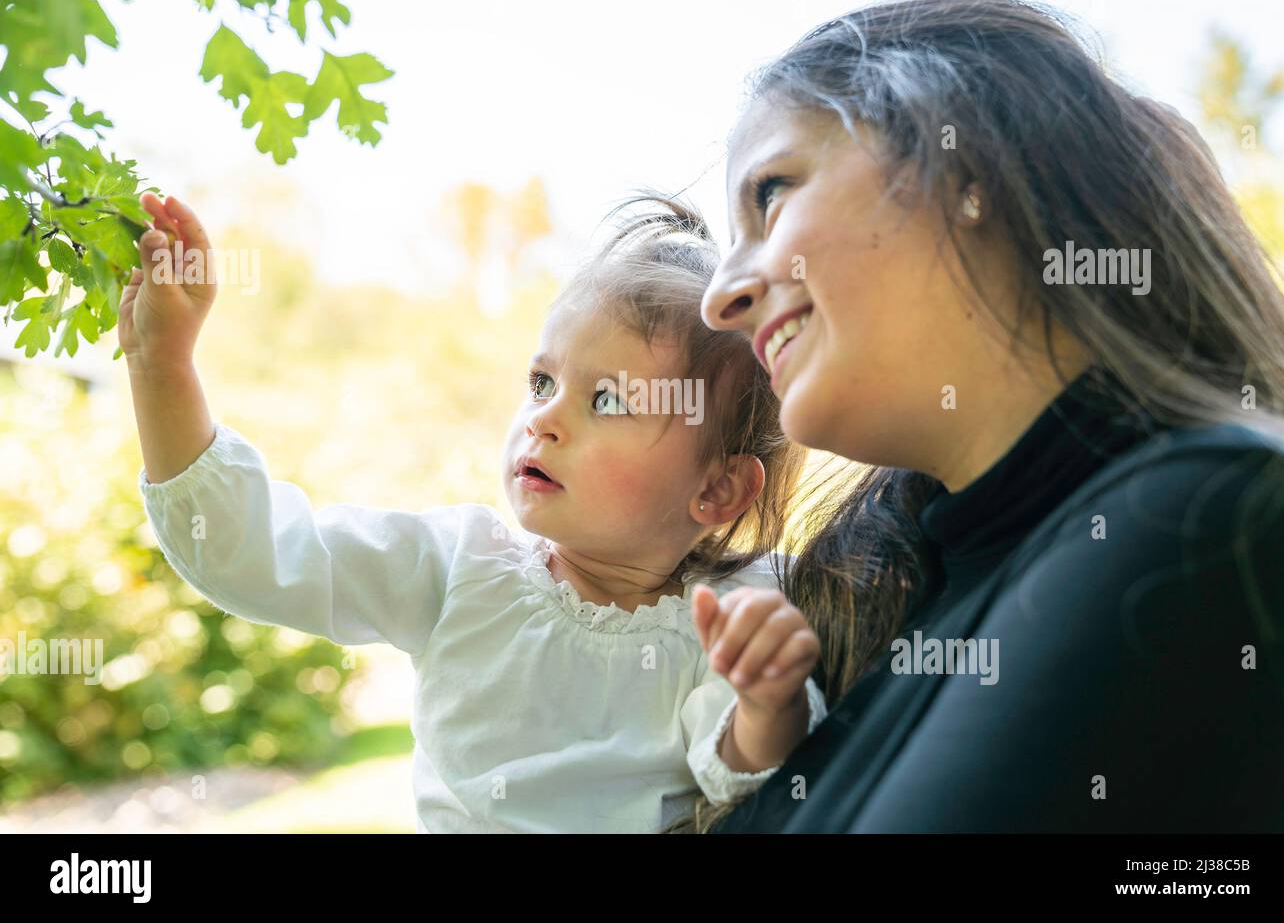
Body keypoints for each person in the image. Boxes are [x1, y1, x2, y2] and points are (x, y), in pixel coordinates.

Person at [684, 0, 1284, 833]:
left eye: (772, 195)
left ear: (969, 165)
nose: (719, 299)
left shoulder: (1212, 516)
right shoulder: (871, 627)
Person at [122, 192, 827, 832]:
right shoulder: (461, 566)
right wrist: (162, 368)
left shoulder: (730, 614)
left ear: (717, 490)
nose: (544, 419)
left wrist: (770, 705)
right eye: (542, 381)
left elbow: (740, 772)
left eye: (607, 400)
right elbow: (255, 552)